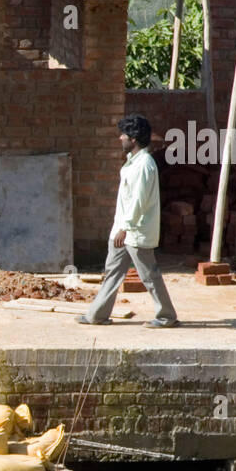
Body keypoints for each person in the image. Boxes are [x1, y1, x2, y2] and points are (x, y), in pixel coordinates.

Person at [77, 113, 179, 328]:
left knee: (150, 275)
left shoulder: (144, 165)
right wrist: (120, 228)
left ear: (133, 138)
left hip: (135, 232)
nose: (120, 139)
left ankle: (166, 316)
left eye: (123, 135)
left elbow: (139, 201)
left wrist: (126, 227)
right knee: (112, 273)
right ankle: (97, 315)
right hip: (122, 231)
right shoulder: (133, 163)